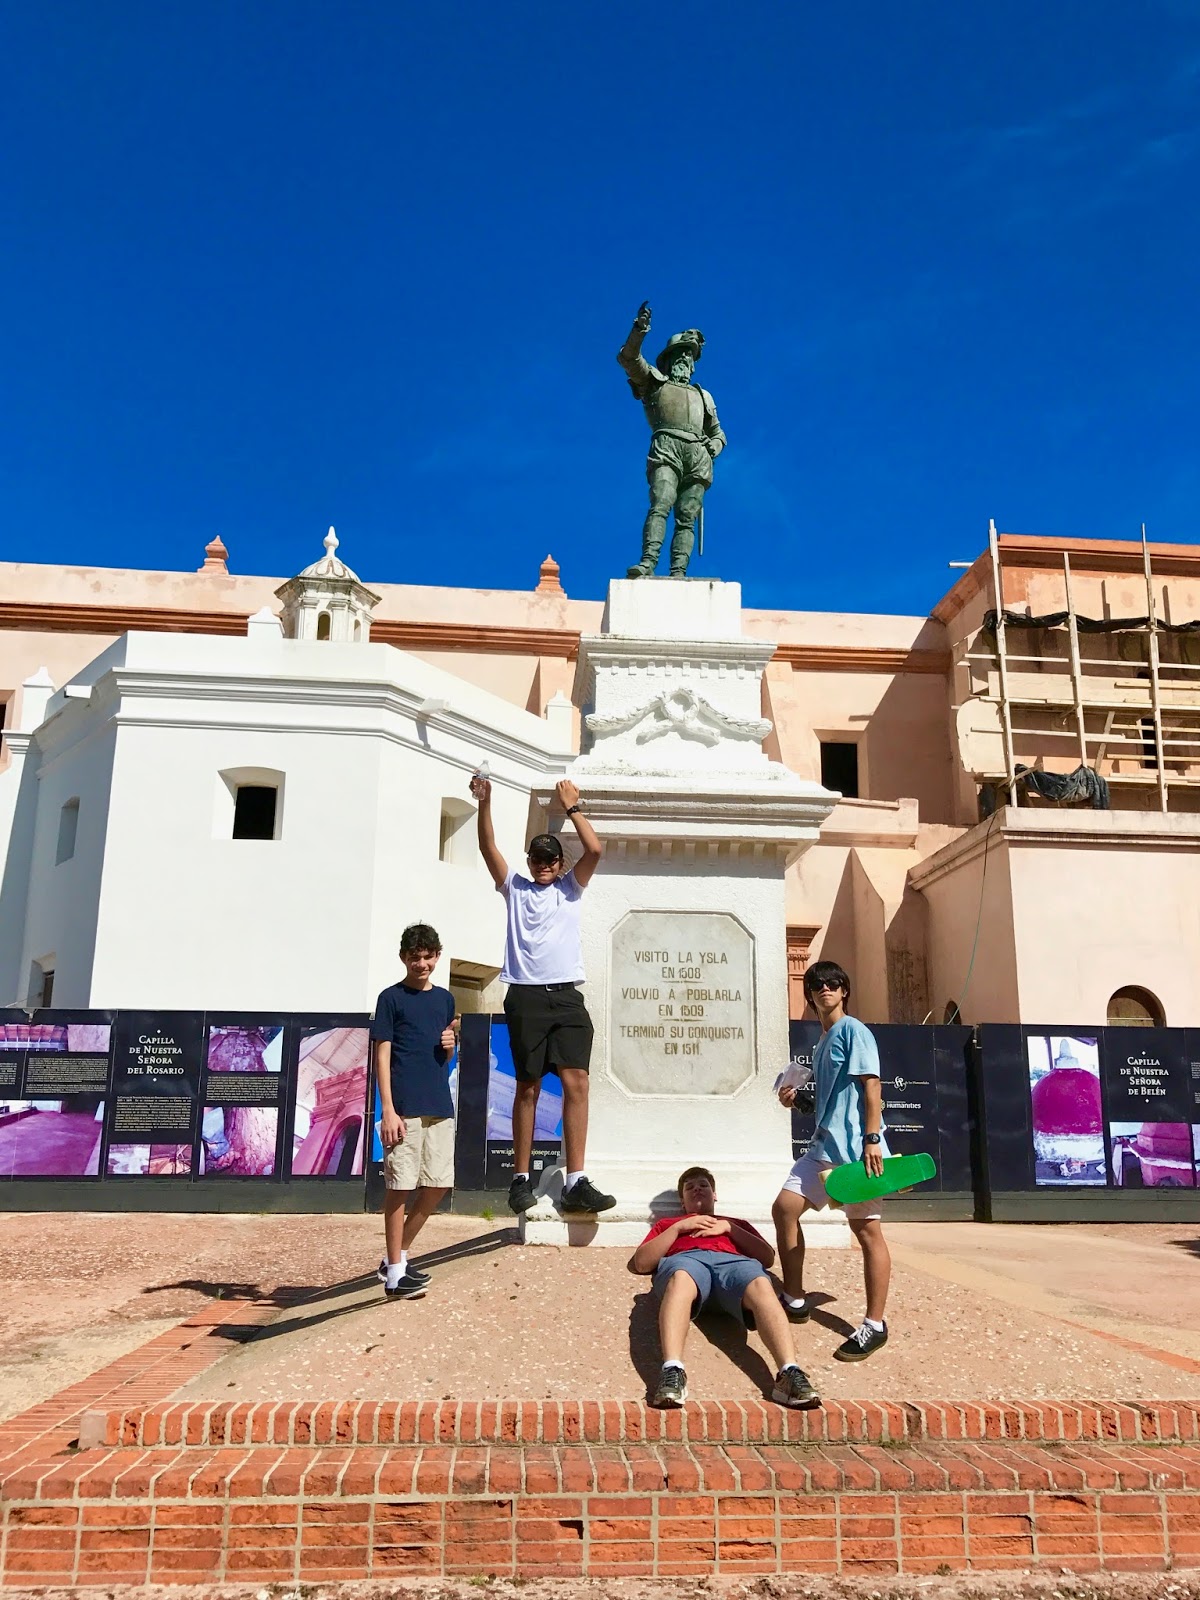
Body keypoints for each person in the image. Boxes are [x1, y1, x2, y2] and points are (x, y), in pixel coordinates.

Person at [470, 772, 615, 1217]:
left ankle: (575, 1180)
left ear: (560, 862)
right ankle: (519, 1179)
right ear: (529, 859)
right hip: (526, 996)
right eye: (538, 858)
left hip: (567, 997)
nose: (544, 865)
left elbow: (594, 849)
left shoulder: (571, 889)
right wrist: (485, 803)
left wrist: (572, 806)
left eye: (551, 859)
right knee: (528, 1087)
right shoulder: (514, 888)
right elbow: (487, 847)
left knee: (577, 1082)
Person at [771, 960, 892, 1361]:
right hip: (823, 1148)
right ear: (809, 994)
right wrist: (798, 1099)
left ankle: (875, 1325)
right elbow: (831, 1103)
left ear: (845, 991)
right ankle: (795, 1298)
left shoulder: (854, 1030)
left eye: (834, 983)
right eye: (817, 984)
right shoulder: (824, 1041)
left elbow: (870, 1086)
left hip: (854, 1152)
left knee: (867, 1233)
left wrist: (872, 1140)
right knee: (784, 1208)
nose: (826, 989)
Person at [629, 1165, 819, 1409]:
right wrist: (678, 1229)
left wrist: (730, 1229)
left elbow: (767, 1258)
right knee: (680, 1279)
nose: (697, 1189)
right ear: (682, 1199)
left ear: (715, 1195)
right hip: (688, 1261)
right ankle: (672, 1372)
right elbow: (642, 1263)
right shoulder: (668, 1224)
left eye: (703, 1185)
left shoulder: (735, 1223)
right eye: (690, 1187)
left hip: (734, 1264)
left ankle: (789, 1373)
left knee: (761, 1282)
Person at [371, 922, 458, 1300]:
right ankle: (394, 1278)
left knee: (438, 1185)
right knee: (400, 1187)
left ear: (437, 956)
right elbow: (382, 1054)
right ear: (404, 957)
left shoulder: (446, 1000)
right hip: (404, 1107)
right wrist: (388, 1110)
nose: (421, 963)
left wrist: (451, 1044)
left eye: (427, 956)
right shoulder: (390, 998)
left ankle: (396, 1258)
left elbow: (445, 1055)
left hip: (439, 1103)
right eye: (414, 957)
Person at [617, 301, 727, 578]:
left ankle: (678, 571)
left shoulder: (704, 396)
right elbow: (629, 359)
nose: (684, 360)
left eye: (688, 357)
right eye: (679, 355)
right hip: (667, 447)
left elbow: (718, 432)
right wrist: (639, 331)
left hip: (698, 456)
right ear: (667, 360)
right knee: (661, 503)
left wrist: (714, 445)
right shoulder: (654, 383)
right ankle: (648, 563)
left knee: (687, 517)